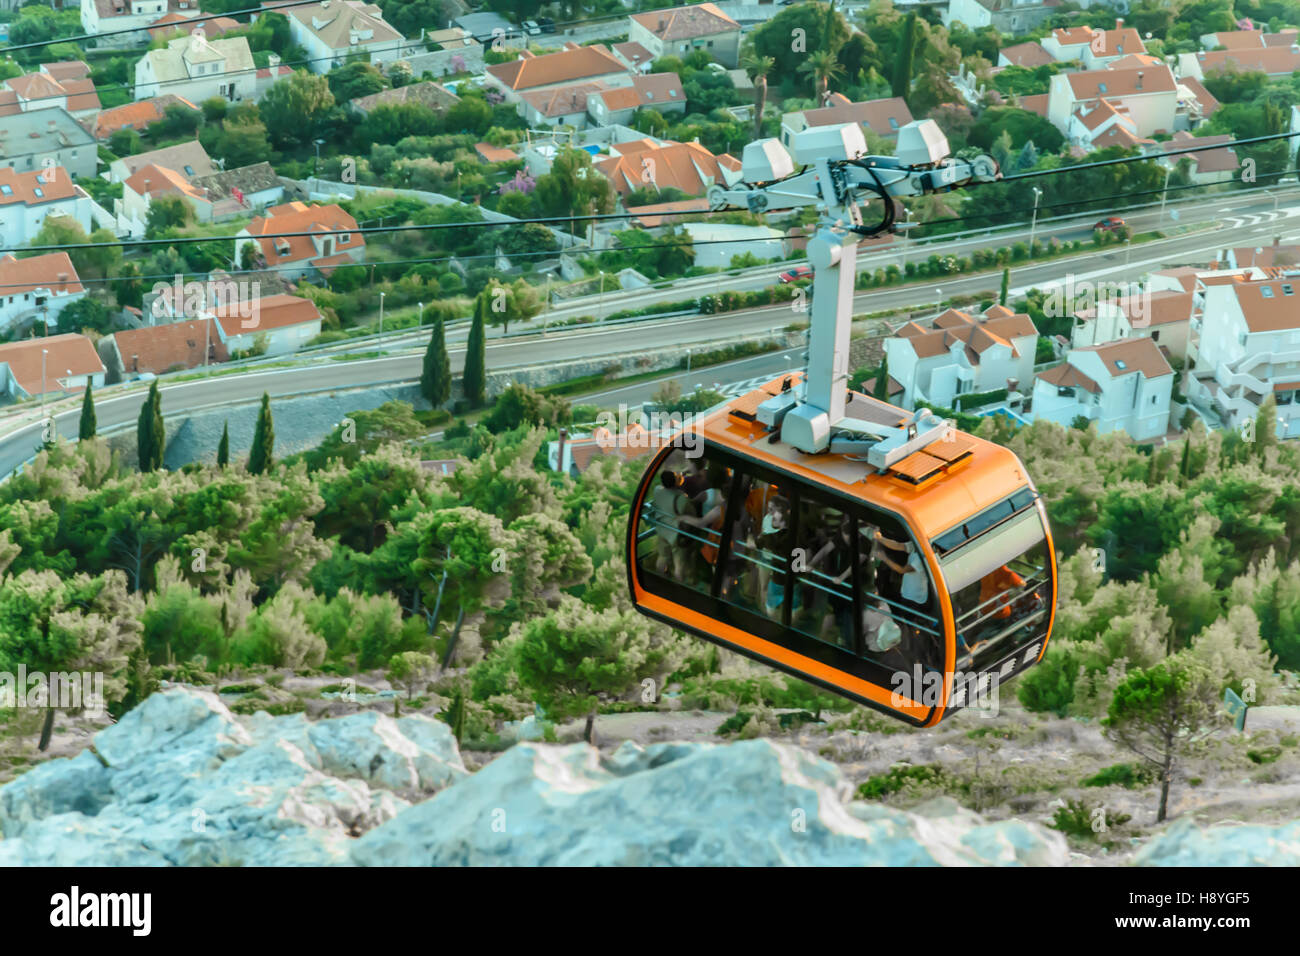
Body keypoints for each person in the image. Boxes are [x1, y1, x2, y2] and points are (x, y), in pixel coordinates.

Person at [649, 469, 689, 577]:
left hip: (662, 529)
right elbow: (688, 514)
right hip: (675, 533)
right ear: (675, 481)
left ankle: (659, 577)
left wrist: (678, 477)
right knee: (679, 563)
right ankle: (679, 584)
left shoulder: (657, 491)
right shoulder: (681, 497)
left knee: (663, 557)